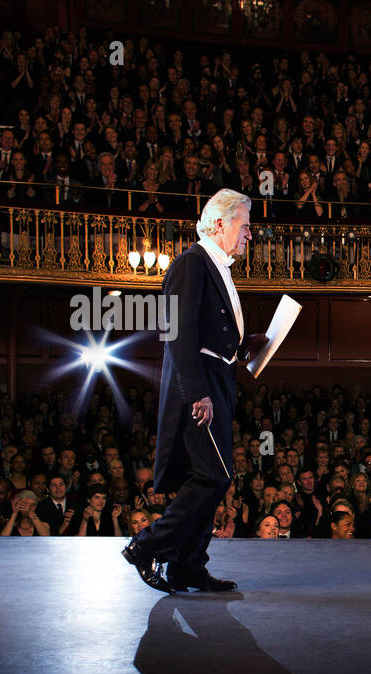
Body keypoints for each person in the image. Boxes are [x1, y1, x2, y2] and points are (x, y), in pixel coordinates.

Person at [123, 189, 268, 593]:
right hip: (200, 388)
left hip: (216, 381)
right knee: (214, 476)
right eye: (245, 226)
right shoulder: (191, 263)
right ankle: (145, 545)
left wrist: (243, 346)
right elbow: (177, 333)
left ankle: (187, 566)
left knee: (211, 476)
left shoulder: (215, 265)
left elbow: (209, 332)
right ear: (220, 223)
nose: (249, 235)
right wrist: (196, 393)